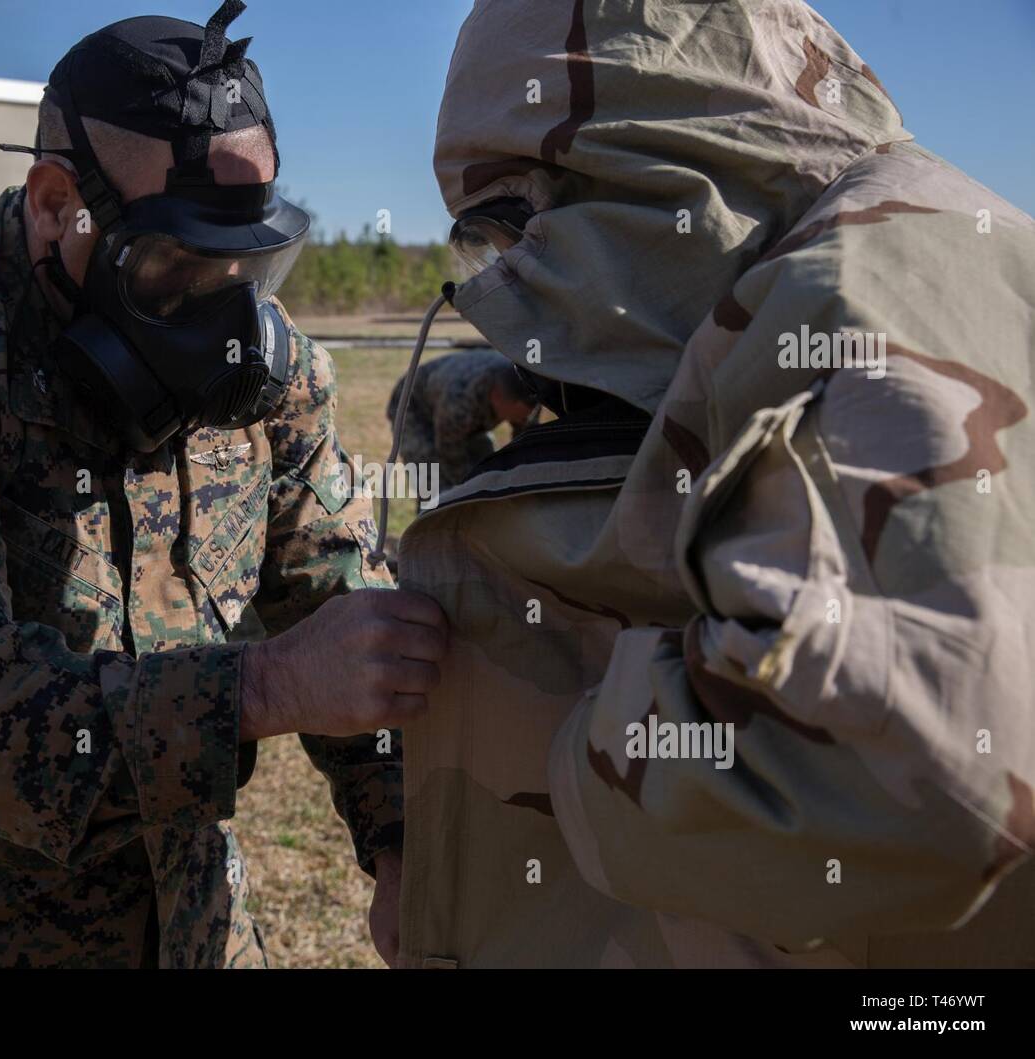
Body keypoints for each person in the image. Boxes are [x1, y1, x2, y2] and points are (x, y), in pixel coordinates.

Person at [0, 2, 446, 969]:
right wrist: (268, 684)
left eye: (248, 260)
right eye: (173, 261)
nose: (223, 305)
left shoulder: (267, 366)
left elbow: (336, 585)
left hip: (189, 928)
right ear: (56, 202)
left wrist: (402, 847)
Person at [394, 0, 1035, 967]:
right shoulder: (911, 241)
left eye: (513, 228)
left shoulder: (848, 290)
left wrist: (559, 733)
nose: (505, 282)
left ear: (631, 174)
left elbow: (912, 771)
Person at [386, 348, 537, 497]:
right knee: (435, 484)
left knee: (485, 465)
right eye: (518, 417)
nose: (523, 419)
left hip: (461, 407)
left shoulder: (524, 384)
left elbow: (524, 436)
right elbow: (450, 454)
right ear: (497, 398)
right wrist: (469, 492)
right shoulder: (459, 399)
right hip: (413, 405)